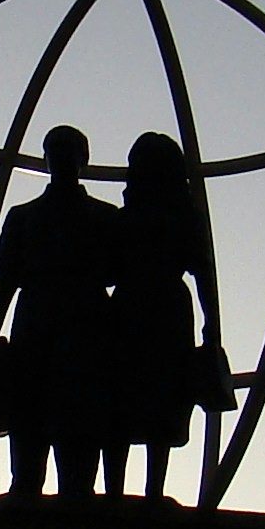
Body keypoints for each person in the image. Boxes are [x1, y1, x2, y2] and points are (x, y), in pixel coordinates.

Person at [0, 125, 120, 499]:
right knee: (30, 410)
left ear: (83, 160)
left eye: (67, 152)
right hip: (52, 319)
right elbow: (5, 277)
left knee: (78, 414)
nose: (61, 160)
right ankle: (30, 487)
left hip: (78, 322)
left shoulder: (102, 217)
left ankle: (68, 490)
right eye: (56, 152)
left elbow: (6, 278)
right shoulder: (101, 216)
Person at [104, 131, 216, 500]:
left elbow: (105, 271)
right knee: (159, 401)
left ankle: (115, 492)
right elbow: (203, 273)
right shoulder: (186, 219)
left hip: (130, 307)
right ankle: (152, 492)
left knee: (124, 401)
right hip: (167, 309)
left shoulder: (123, 219)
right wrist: (210, 326)